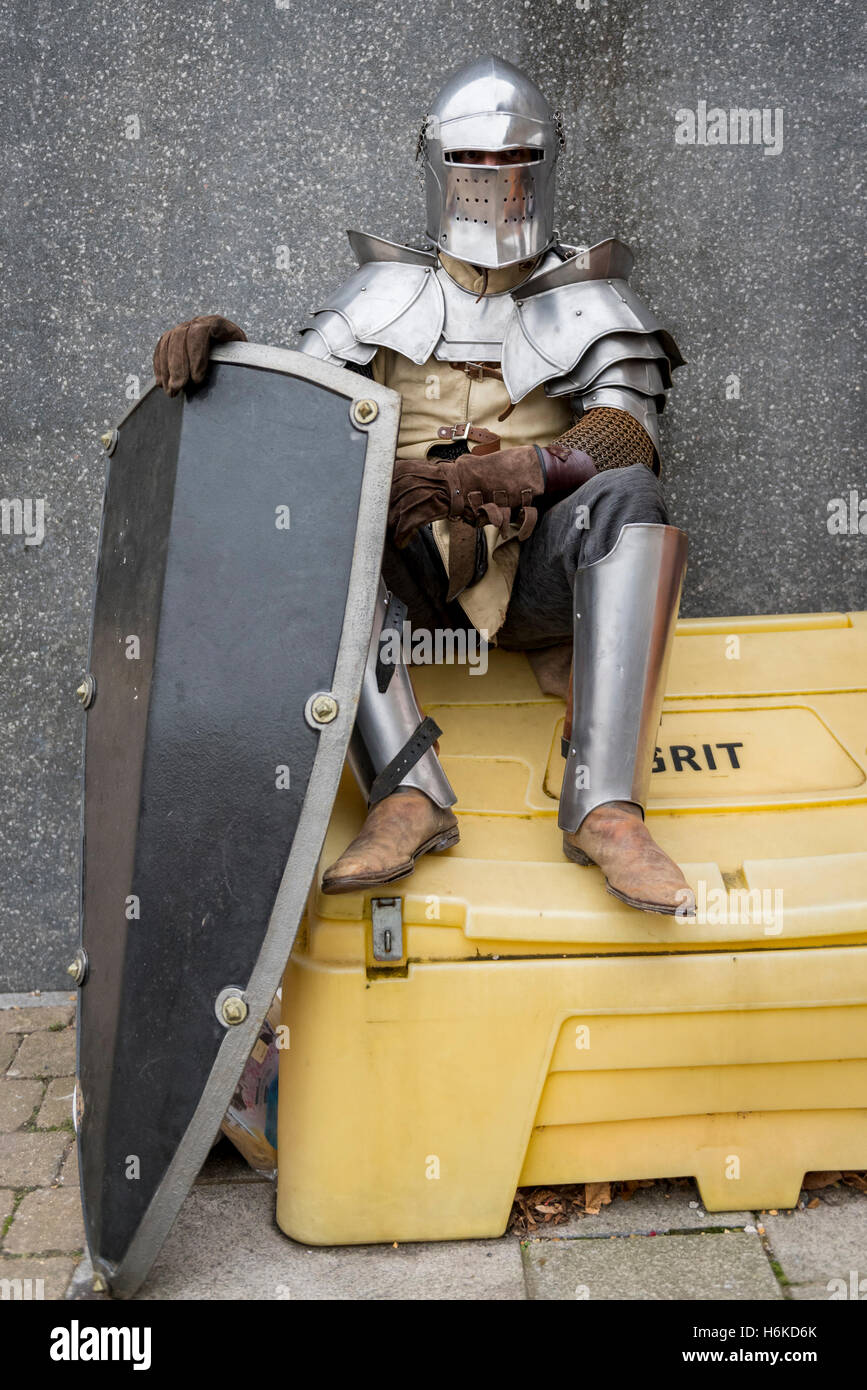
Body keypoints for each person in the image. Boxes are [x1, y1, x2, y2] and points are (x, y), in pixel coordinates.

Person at [152, 55, 694, 916]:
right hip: (400, 580)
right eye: (471, 163)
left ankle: (607, 809)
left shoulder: (595, 301)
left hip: (536, 582)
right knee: (319, 524)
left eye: (507, 163)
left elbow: (629, 436)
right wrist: (233, 366)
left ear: (543, 167)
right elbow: (297, 435)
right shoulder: (376, 296)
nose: (489, 184)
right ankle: (405, 794)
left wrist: (525, 468)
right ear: (436, 167)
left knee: (629, 503)